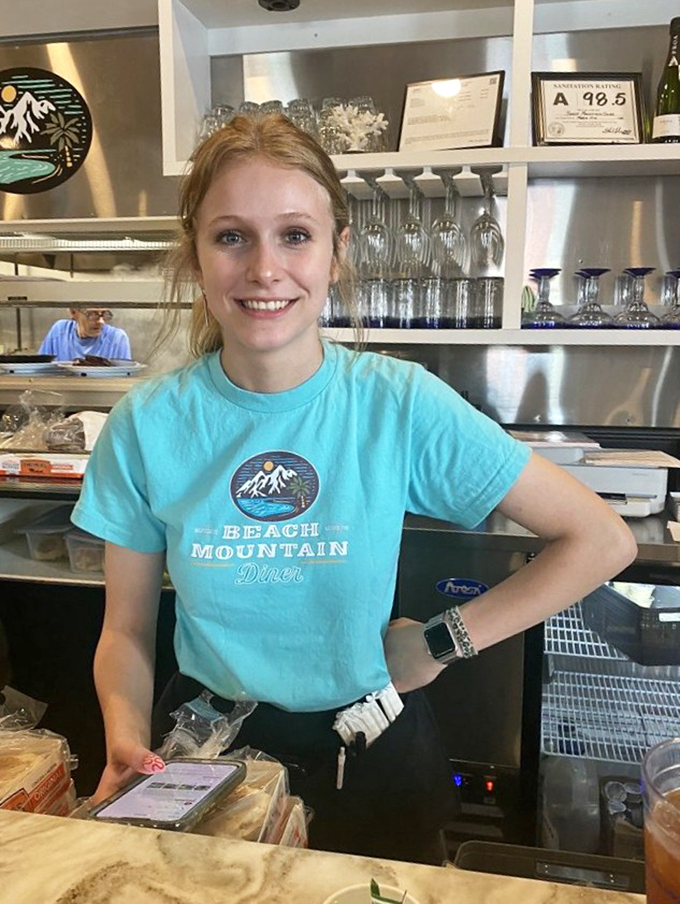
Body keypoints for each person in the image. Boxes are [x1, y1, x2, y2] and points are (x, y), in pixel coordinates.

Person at [71, 113, 636, 864]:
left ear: (337, 251)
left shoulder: (397, 403)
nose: (264, 268)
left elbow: (601, 539)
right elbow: (128, 632)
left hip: (371, 754)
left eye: (295, 235)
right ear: (196, 255)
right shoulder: (147, 425)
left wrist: (441, 641)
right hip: (208, 757)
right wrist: (125, 736)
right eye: (231, 236)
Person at [39, 307, 132, 361]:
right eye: (92, 314)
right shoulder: (60, 331)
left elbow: (124, 384)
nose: (101, 321)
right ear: (73, 312)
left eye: (103, 314)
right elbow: (40, 370)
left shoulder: (117, 339)